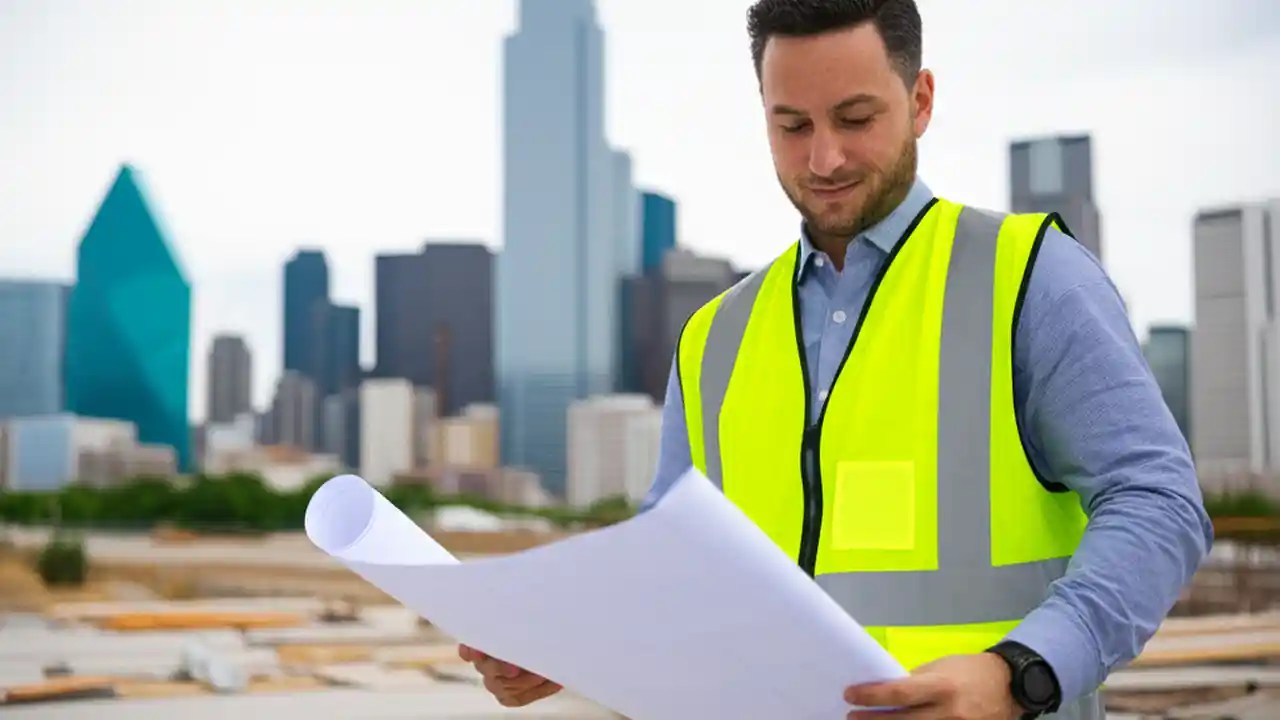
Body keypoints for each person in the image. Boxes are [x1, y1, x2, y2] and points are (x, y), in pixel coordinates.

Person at [459, 0, 1214, 717]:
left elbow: (1159, 504)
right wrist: (571, 642)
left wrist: (1021, 671)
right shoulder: (712, 337)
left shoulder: (1031, 280)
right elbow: (674, 569)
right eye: (792, 126)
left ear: (919, 100)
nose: (824, 158)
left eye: (855, 118)